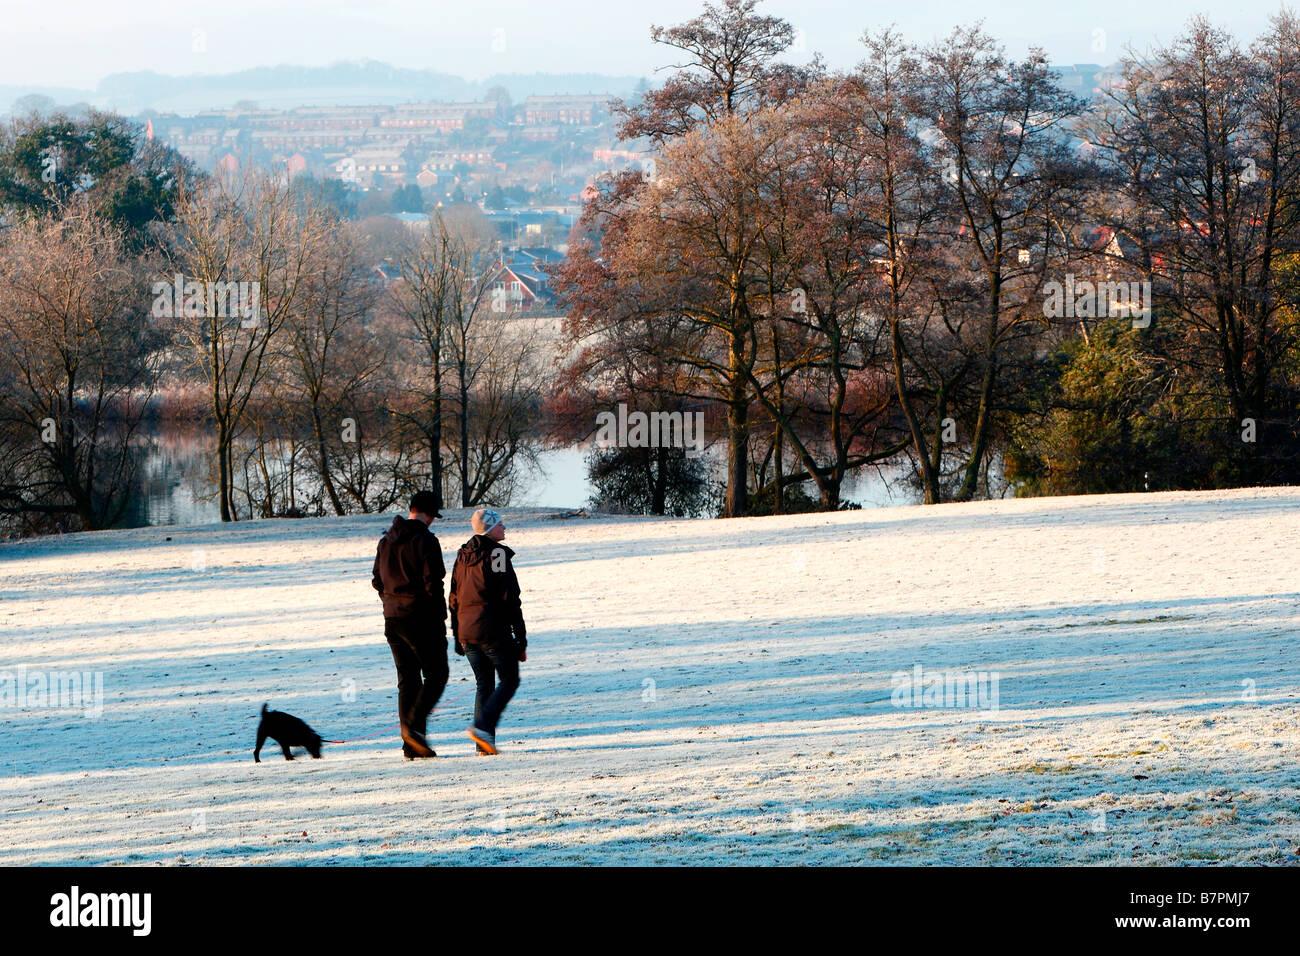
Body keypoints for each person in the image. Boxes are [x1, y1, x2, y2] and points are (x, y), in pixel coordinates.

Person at [371, 491, 448, 760]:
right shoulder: (426, 541)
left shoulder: (385, 541)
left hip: (392, 619)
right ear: (428, 513)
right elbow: (434, 583)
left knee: (408, 681)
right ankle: (413, 732)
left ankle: (411, 745)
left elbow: (376, 580)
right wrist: (441, 617)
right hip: (422, 618)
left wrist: (391, 602)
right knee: (438, 676)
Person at [449, 508, 525, 755]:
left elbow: (454, 597)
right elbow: (510, 597)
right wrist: (520, 638)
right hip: (491, 628)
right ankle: (482, 728)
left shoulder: (462, 556)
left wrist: (457, 634)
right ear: (489, 529)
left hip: (467, 631)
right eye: (500, 524)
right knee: (510, 679)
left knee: (484, 684)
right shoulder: (498, 554)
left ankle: (484, 744)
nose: (505, 528)